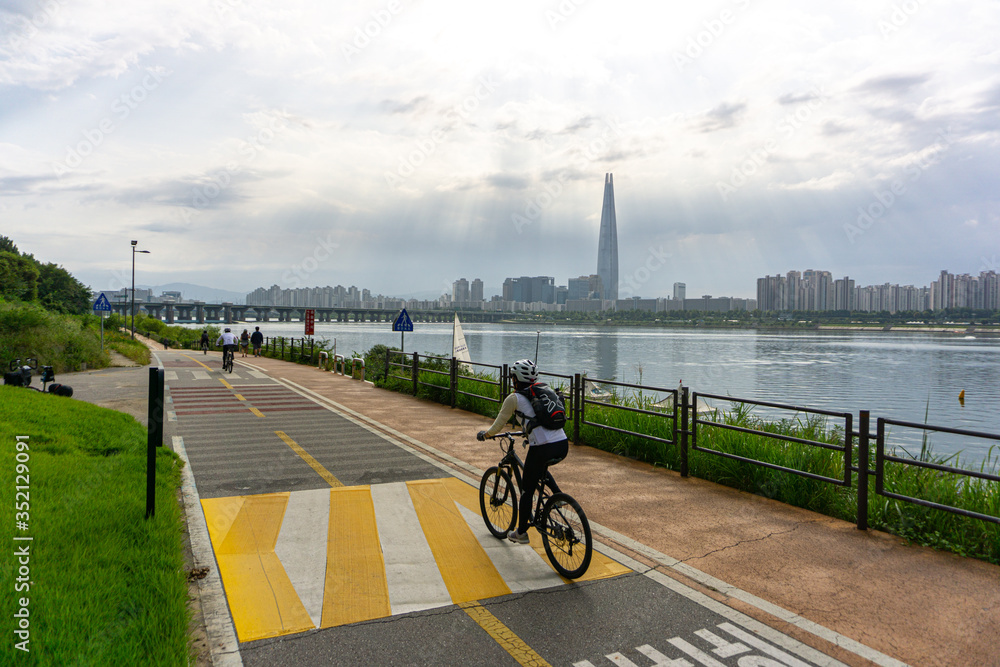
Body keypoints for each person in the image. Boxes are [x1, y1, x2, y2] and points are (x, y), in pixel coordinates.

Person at [477, 359, 568, 544]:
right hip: (562, 444)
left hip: (542, 447)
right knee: (540, 470)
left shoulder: (514, 398)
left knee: (526, 490)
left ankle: (521, 533)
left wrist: (486, 435)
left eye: (512, 376)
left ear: (515, 378)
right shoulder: (543, 391)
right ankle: (558, 497)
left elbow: (499, 424)